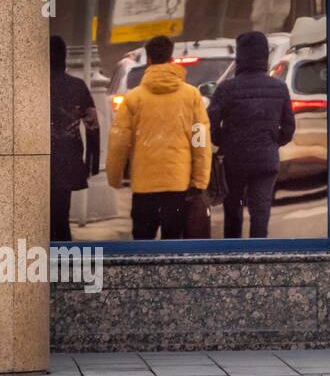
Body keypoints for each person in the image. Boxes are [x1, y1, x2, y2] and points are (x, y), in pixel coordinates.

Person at [106, 34, 212, 239]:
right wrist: (199, 180)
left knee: (142, 246)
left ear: (149, 60)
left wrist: (115, 177)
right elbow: (200, 138)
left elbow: (119, 141)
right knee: (171, 245)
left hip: (144, 186)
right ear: (171, 59)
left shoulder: (134, 98)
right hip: (178, 184)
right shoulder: (191, 96)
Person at [206, 31, 295, 238]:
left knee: (233, 212)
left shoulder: (226, 88)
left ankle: (233, 257)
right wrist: (273, 142)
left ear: (240, 56)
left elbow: (209, 121)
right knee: (261, 213)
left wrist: (221, 141)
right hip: (266, 160)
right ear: (264, 56)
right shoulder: (279, 88)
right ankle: (259, 258)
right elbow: (289, 127)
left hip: (234, 160)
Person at [49, 35, 99, 243]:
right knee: (61, 215)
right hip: (67, 159)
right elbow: (92, 124)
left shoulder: (26, 86)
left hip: (33, 161)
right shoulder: (77, 86)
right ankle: (61, 267)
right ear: (65, 57)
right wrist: (92, 163)